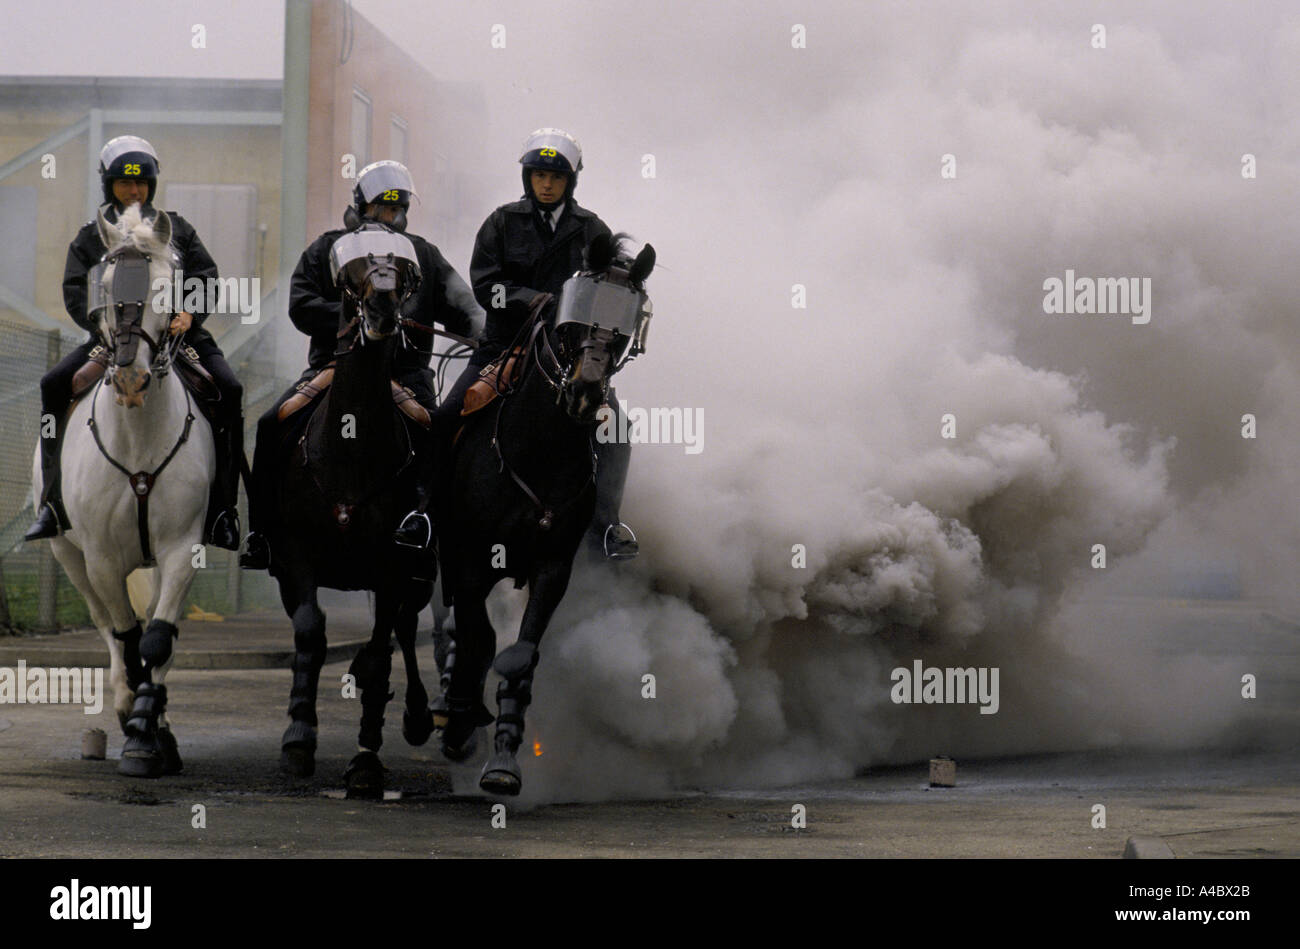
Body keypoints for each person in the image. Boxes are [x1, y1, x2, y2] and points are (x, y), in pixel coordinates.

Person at [240, 160, 484, 569]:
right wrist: (359, 315)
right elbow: (300, 306)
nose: (391, 217)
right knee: (270, 424)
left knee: (441, 431)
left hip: (405, 375)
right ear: (361, 206)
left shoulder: (422, 253)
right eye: (382, 208)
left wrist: (482, 326)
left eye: (397, 209)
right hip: (335, 368)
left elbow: (463, 305)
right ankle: (261, 532)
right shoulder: (326, 248)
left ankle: (429, 524)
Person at [24, 134, 243, 549]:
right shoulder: (92, 236)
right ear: (108, 185)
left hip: (181, 338)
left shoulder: (177, 229)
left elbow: (205, 276)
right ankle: (52, 504)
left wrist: (189, 313)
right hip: (112, 340)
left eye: (142, 182)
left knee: (229, 390)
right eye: (125, 184)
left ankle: (222, 511)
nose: (135, 190)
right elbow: (75, 289)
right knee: (53, 385)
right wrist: (102, 326)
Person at [435, 128, 637, 559]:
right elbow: (486, 288)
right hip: (505, 348)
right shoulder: (501, 222)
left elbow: (610, 290)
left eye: (556, 177)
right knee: (446, 416)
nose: (546, 184)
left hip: (569, 355)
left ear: (571, 182)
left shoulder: (592, 230)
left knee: (617, 429)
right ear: (528, 178)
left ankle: (608, 526)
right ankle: (427, 515)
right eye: (539, 175)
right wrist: (536, 300)